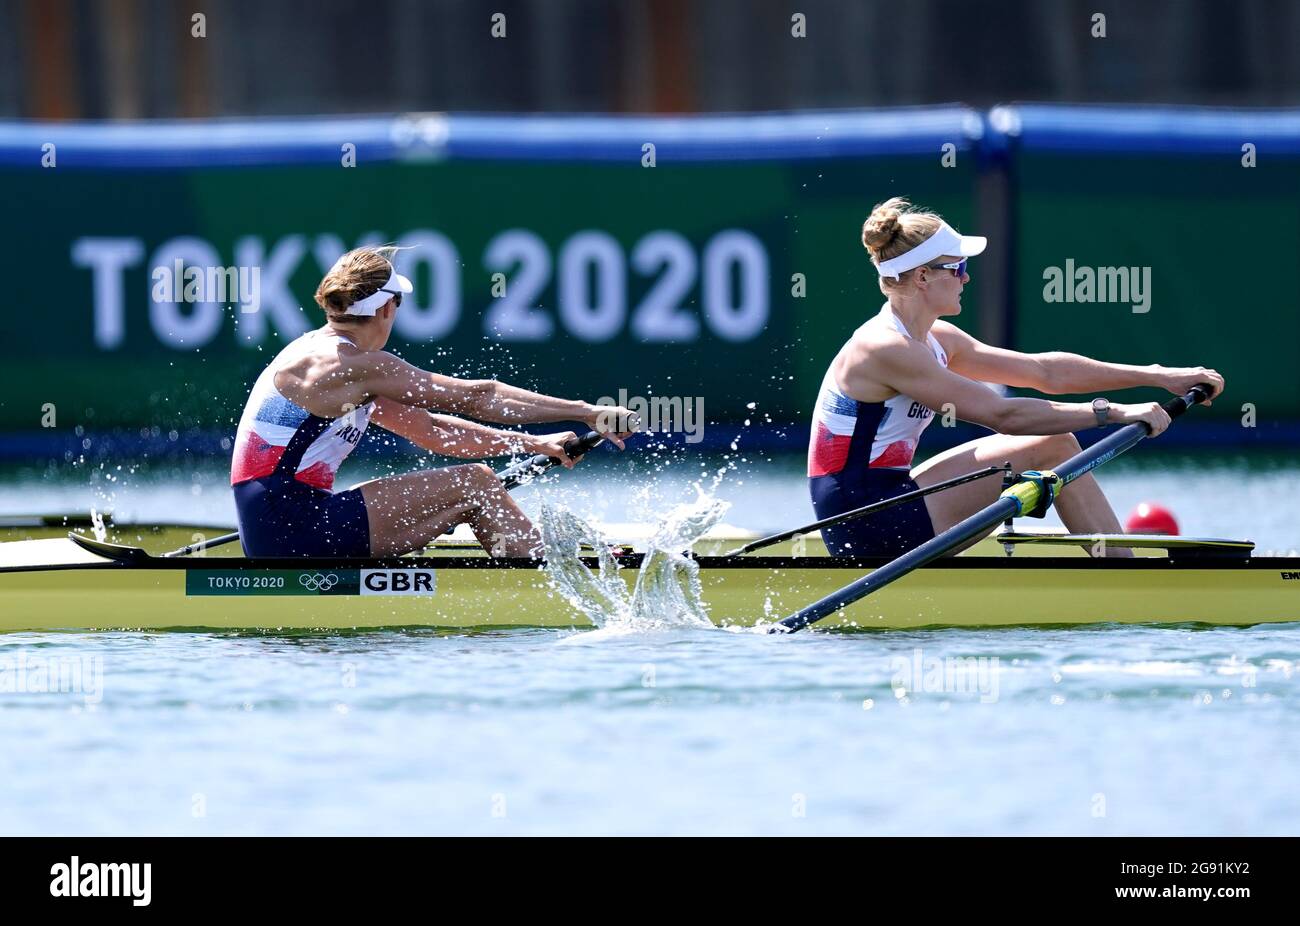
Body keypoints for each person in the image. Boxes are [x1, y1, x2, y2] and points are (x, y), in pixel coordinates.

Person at [808, 197, 1224, 558]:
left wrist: (1158, 375)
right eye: (958, 268)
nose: (966, 278)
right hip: (864, 524)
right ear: (922, 277)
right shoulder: (884, 348)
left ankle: (1116, 562)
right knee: (1054, 446)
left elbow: (1043, 372)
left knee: (1054, 444)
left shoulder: (936, 337)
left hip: (887, 497)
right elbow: (1003, 415)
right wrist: (1112, 413)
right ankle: (1129, 580)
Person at [230, 245, 636, 558]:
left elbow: (433, 431)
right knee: (474, 483)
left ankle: (536, 569)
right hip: (292, 528)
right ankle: (549, 583)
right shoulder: (346, 364)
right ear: (388, 307)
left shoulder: (332, 359)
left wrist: (534, 444)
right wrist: (588, 412)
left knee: (473, 484)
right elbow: (479, 397)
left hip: (286, 524)